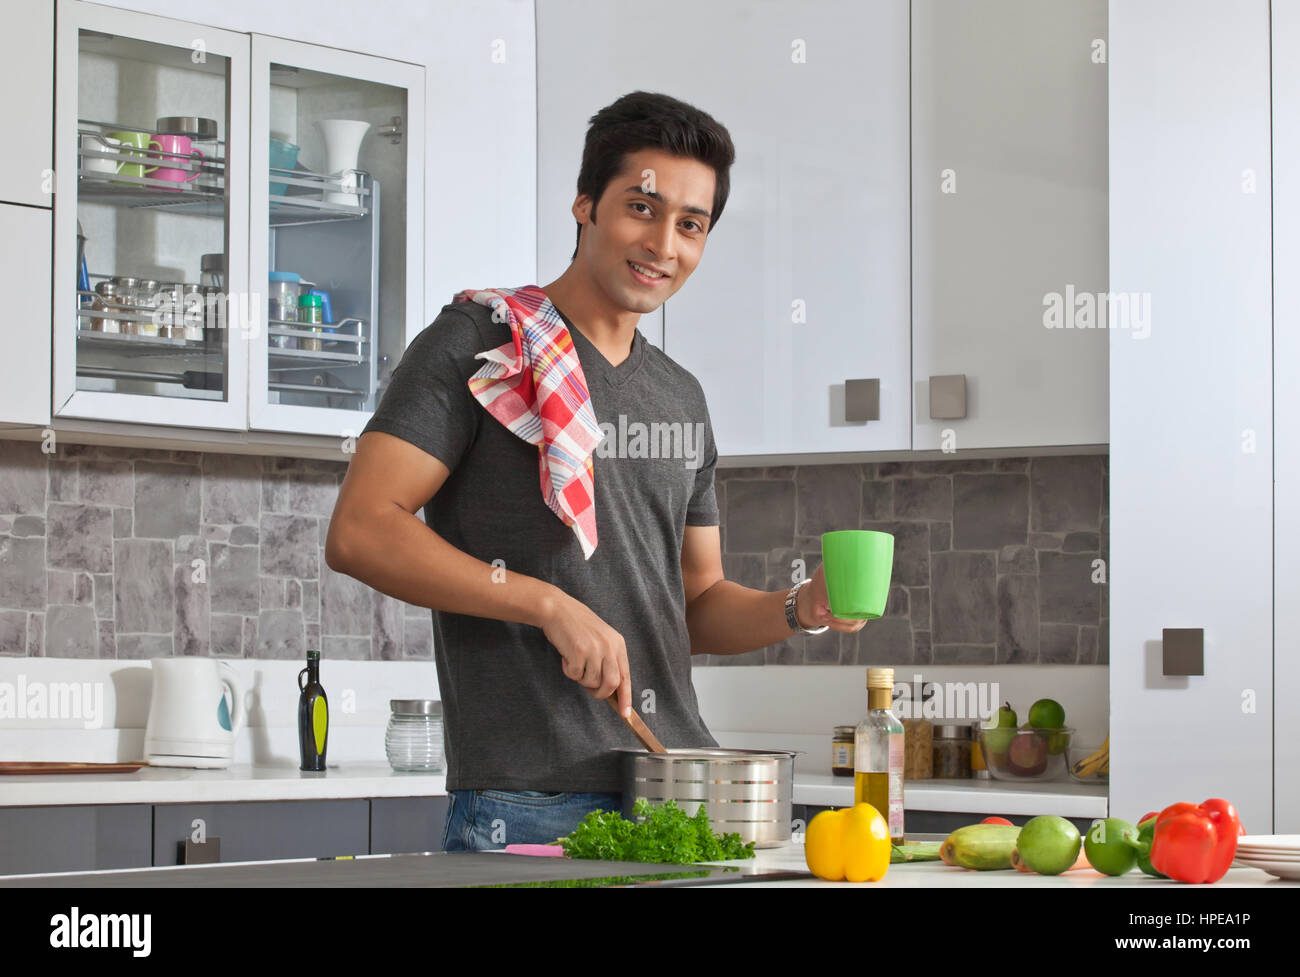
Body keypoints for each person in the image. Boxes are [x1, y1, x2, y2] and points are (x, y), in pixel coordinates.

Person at [324, 91, 866, 852]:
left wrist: (800, 606)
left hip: (674, 782)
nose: (663, 244)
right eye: (641, 208)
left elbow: (698, 600)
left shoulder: (680, 395)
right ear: (585, 204)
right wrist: (545, 602)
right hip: (530, 797)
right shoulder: (482, 347)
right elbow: (359, 530)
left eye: (691, 224)